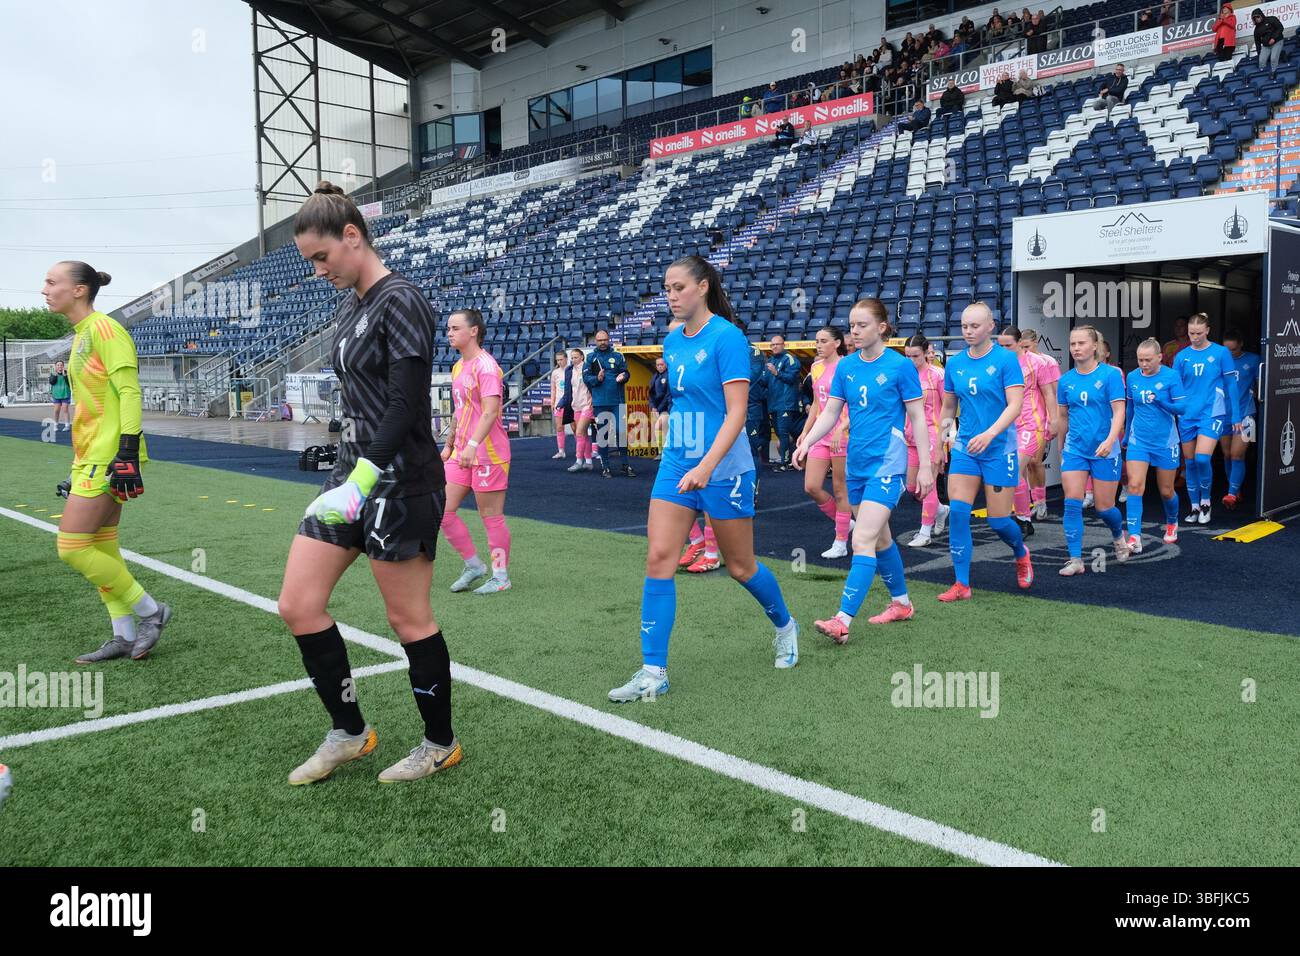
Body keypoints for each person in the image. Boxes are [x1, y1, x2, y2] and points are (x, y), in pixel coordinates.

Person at [277, 182, 458, 785]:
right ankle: (350, 731)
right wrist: (343, 462)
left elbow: (406, 405)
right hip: (351, 481)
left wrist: (363, 475)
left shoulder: (400, 299)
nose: (317, 270)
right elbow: (364, 398)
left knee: (408, 620)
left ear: (352, 237)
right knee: (298, 604)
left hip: (400, 485)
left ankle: (439, 743)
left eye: (321, 257)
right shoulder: (352, 303)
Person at [608, 255, 800, 702]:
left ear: (703, 287)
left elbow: (736, 413)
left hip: (724, 467)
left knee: (740, 566)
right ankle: (653, 671)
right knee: (659, 557)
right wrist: (677, 448)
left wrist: (707, 467)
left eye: (678, 287)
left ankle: (785, 627)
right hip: (678, 461)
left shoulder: (728, 338)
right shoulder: (672, 341)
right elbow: (683, 403)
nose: (671, 296)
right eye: (667, 289)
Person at [45, 262, 171, 664]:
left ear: (79, 290)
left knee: (71, 546)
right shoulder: (81, 335)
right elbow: (94, 408)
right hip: (91, 457)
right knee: (102, 546)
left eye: (52, 282)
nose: (44, 289)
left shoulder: (105, 329)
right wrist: (78, 464)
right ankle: (124, 635)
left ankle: (152, 612)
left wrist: (128, 452)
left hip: (111, 455)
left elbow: (130, 392)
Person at [796, 300, 933, 641]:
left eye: (862, 325)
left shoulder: (901, 367)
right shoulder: (846, 368)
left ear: (882, 327)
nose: (854, 331)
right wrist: (807, 442)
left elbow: (917, 417)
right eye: (852, 325)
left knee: (862, 539)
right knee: (881, 538)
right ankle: (901, 603)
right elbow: (830, 413)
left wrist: (927, 466)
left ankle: (842, 620)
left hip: (888, 463)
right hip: (856, 464)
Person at [936, 302, 1033, 601]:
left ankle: (1020, 552)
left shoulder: (1006, 360)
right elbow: (949, 406)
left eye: (975, 326)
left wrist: (991, 433)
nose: (968, 331)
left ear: (990, 326)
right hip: (966, 447)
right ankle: (962, 584)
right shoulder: (954, 363)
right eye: (964, 326)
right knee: (960, 512)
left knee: (999, 521)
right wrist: (942, 435)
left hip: (999, 448)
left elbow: (1015, 405)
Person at [441, 308, 514, 595]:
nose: (450, 333)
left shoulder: (486, 366)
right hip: (462, 452)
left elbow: (490, 411)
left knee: (491, 516)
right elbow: (460, 412)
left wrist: (472, 445)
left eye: (455, 328)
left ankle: (500, 575)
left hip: (489, 453)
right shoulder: (458, 367)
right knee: (442, 511)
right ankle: (474, 565)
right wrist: (449, 446)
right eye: (448, 328)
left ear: (473, 331)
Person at [1055, 326, 1129, 576]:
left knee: (1105, 508)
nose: (1076, 348)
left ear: (1095, 346)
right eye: (1072, 343)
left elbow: (1119, 410)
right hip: (1075, 449)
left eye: (1081, 343)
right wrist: (1061, 448)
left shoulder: (1110, 375)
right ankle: (1075, 559)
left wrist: (1110, 440)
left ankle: (1119, 535)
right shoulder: (1065, 381)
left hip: (1104, 451)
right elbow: (1063, 416)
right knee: (1072, 503)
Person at [1174, 312, 1241, 524]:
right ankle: (1194, 507)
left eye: (1199, 333)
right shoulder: (1182, 356)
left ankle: (1206, 503)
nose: (1195, 337)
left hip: (1212, 412)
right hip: (1187, 414)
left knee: (1203, 458)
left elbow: (1232, 385)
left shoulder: (1221, 353)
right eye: (1191, 333)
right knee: (1191, 463)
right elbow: (1174, 387)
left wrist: (1236, 415)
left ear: (1208, 331)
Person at [795, 326, 853, 558]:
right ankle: (845, 523)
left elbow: (853, 402)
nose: (818, 345)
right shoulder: (816, 367)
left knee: (841, 490)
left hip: (842, 435)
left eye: (823, 341)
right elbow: (818, 404)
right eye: (817, 341)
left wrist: (842, 427)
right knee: (811, 486)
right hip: (821, 434)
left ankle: (840, 542)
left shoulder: (847, 367)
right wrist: (806, 433)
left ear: (837, 343)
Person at [1124, 338, 1186, 551]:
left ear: (1159, 357)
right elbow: (1130, 409)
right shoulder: (1132, 377)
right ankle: (1134, 537)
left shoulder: (1171, 376)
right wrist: (1125, 434)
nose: (1143, 364)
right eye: (1140, 360)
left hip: (1165, 442)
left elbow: (1182, 409)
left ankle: (1172, 521)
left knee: (1167, 491)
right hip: (1138, 440)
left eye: (1148, 360)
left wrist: (1161, 402)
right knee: (1134, 486)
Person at [901, 332, 949, 547]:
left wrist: (945, 440)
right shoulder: (902, 375)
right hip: (910, 436)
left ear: (927, 352)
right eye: (908, 356)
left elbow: (948, 409)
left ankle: (925, 532)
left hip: (932, 434)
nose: (911, 361)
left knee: (927, 485)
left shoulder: (937, 375)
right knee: (913, 489)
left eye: (916, 356)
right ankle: (940, 510)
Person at [1219, 327, 1261, 510]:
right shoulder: (1219, 361)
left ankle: (1231, 493)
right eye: (1226, 350)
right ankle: (1235, 489)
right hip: (1223, 413)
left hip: (1246, 413)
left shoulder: (1253, 360)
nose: (1229, 354)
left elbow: (1263, 385)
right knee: (1227, 454)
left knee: (1238, 454)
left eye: (1233, 350)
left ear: (1241, 345)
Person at [584, 329, 634, 478]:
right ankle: (606, 467)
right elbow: (586, 378)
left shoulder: (617, 356)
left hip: (618, 401)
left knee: (621, 432)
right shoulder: (591, 358)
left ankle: (625, 465)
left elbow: (626, 373)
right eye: (599, 340)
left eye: (605, 339)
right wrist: (597, 379)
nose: (603, 342)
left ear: (609, 339)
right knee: (603, 435)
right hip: (600, 402)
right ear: (595, 341)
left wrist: (623, 376)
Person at [763, 334, 801, 469]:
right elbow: (764, 382)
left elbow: (792, 378)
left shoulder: (790, 359)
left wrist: (776, 373)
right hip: (773, 404)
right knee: (780, 434)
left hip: (786, 403)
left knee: (784, 433)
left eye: (777, 344)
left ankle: (784, 463)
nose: (774, 347)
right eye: (772, 344)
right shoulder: (770, 361)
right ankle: (791, 459)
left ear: (783, 345)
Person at [564, 347, 596, 473]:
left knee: (579, 432)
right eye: (571, 357)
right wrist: (563, 402)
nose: (573, 359)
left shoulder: (588, 369)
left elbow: (594, 384)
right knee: (583, 435)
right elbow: (568, 389)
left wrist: (594, 401)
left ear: (582, 357)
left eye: (576, 357)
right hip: (575, 405)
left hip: (587, 405)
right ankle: (588, 461)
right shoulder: (569, 371)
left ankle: (578, 461)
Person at [549, 352, 571, 459]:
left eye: (561, 359)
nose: (559, 362)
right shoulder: (555, 373)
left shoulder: (571, 370)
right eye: (557, 360)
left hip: (571, 402)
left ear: (566, 359)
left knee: (575, 428)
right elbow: (553, 389)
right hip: (559, 403)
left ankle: (579, 451)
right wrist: (552, 402)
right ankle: (561, 451)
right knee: (559, 427)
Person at [650, 354, 672, 457]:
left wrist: (658, 409)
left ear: (666, 365)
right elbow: (651, 393)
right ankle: (661, 451)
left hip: (666, 408)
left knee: (660, 428)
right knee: (660, 430)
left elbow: (668, 395)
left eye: (661, 365)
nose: (659, 366)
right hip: (656, 408)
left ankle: (663, 452)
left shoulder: (669, 376)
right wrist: (653, 406)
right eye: (657, 365)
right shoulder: (655, 376)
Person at [1253, 7, 1285, 75]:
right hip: (1266, 46)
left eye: (1258, 16)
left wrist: (1273, 38)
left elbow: (1280, 28)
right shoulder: (1256, 29)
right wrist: (1259, 53)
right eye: (1254, 18)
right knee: (1261, 61)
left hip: (1277, 41)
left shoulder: (1271, 19)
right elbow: (1257, 42)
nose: (1257, 19)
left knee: (1273, 59)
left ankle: (1274, 74)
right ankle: (1263, 75)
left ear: (1261, 15)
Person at [49, 359, 71, 431]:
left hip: (65, 394)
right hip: (56, 394)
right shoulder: (53, 373)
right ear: (55, 366)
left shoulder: (67, 373)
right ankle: (55, 425)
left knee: (65, 409)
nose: (59, 366)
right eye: (58, 365)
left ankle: (67, 425)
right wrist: (55, 375)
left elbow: (70, 384)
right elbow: (52, 382)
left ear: (63, 366)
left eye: (61, 365)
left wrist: (65, 376)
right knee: (56, 410)